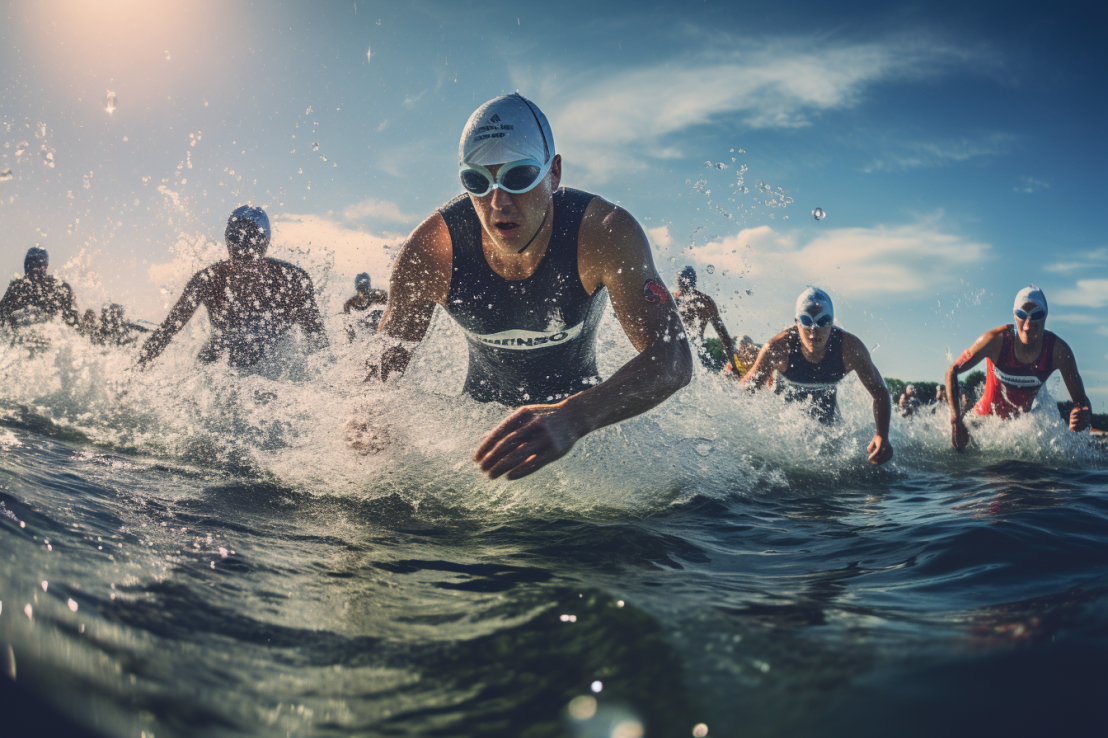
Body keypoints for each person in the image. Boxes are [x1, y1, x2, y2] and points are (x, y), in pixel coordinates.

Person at [372, 93, 692, 480]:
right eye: (477, 181)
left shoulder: (604, 234)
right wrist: (365, 423)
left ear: (553, 173)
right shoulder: (432, 252)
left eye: (519, 177)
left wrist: (573, 417)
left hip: (585, 437)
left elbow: (673, 359)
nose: (498, 202)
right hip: (481, 446)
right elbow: (378, 373)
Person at [138, 206, 327, 368]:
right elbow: (165, 332)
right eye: (236, 237)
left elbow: (319, 344)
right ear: (227, 240)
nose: (242, 247)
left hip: (273, 365)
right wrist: (135, 370)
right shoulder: (208, 281)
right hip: (217, 366)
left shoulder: (292, 281)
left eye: (251, 238)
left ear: (265, 242)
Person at [741, 287, 893, 465]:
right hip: (785, 424)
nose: (814, 331)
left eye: (823, 321)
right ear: (797, 322)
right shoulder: (777, 349)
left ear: (832, 322)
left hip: (830, 425)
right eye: (807, 321)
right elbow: (745, 392)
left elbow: (880, 392)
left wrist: (881, 434)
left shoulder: (850, 349)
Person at [945, 285, 1090, 450]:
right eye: (1022, 315)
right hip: (981, 426)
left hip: (1018, 435)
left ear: (1045, 317)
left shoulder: (1058, 351)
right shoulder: (995, 341)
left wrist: (1080, 420)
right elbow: (952, 371)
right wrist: (955, 420)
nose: (1028, 326)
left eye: (1037, 316)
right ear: (1014, 315)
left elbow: (1082, 405)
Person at [674, 266, 737, 373]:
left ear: (680, 281)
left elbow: (723, 335)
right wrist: (733, 363)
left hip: (677, 349)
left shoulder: (674, 300)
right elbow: (724, 335)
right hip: (694, 352)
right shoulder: (706, 302)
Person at [0, 247, 81, 329]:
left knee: (89, 316)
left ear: (45, 266)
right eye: (31, 264)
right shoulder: (17, 289)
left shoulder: (59, 287)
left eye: (38, 264)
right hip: (29, 335)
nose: (34, 268)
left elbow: (74, 321)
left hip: (53, 334)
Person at [343, 272, 388, 341]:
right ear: (357, 288)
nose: (364, 292)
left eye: (365, 287)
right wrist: (351, 340)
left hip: (378, 321)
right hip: (366, 324)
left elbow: (392, 307)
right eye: (361, 288)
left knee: (376, 313)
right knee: (361, 322)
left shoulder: (379, 295)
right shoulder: (350, 303)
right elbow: (348, 326)